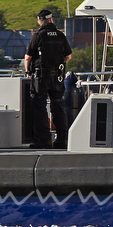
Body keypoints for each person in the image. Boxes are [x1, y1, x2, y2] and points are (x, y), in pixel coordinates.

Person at [24, 10, 73, 148]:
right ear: (51, 20)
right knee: (57, 105)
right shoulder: (60, 35)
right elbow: (68, 56)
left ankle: (43, 140)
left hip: (41, 76)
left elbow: (28, 57)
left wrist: (28, 71)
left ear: (39, 22)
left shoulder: (38, 36)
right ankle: (62, 140)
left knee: (39, 106)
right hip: (57, 76)